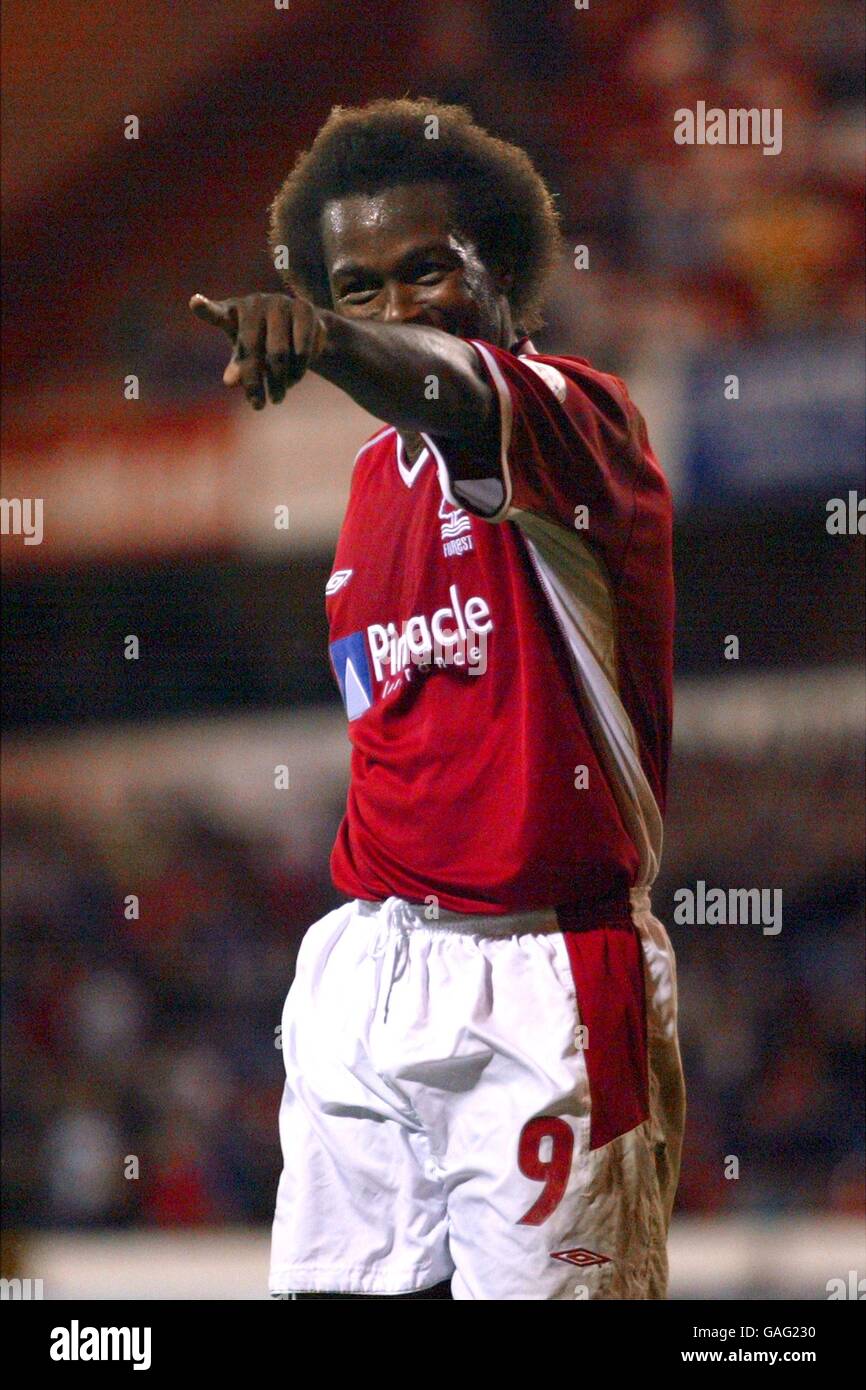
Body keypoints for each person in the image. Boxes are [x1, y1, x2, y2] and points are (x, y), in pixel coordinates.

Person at [191, 97, 686, 1301]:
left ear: (505, 273)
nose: (397, 307)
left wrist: (326, 340)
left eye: (428, 270)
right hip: (368, 966)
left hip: (545, 985)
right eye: (356, 289)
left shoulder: (573, 421)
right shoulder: (368, 481)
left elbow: (452, 388)